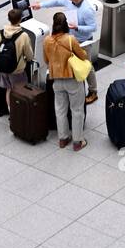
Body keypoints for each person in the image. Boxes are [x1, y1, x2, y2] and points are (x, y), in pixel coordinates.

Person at [33, 0, 99, 104]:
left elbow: (93, 27)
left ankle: (93, 91)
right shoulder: (69, 1)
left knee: (87, 66)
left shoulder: (87, 10)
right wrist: (40, 5)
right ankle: (76, 85)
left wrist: (78, 27)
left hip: (84, 42)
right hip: (72, 40)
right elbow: (56, 2)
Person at [43, 13, 90, 150]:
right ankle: (77, 141)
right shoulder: (70, 39)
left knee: (60, 110)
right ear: (65, 24)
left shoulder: (47, 41)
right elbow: (83, 56)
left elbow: (46, 60)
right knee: (76, 110)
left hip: (56, 80)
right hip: (72, 80)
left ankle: (63, 138)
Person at [0, 8, 33, 117]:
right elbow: (29, 55)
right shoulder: (23, 36)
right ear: (20, 20)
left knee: (8, 90)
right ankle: (17, 114)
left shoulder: (2, 33)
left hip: (3, 69)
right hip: (17, 70)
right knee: (19, 91)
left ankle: (9, 111)